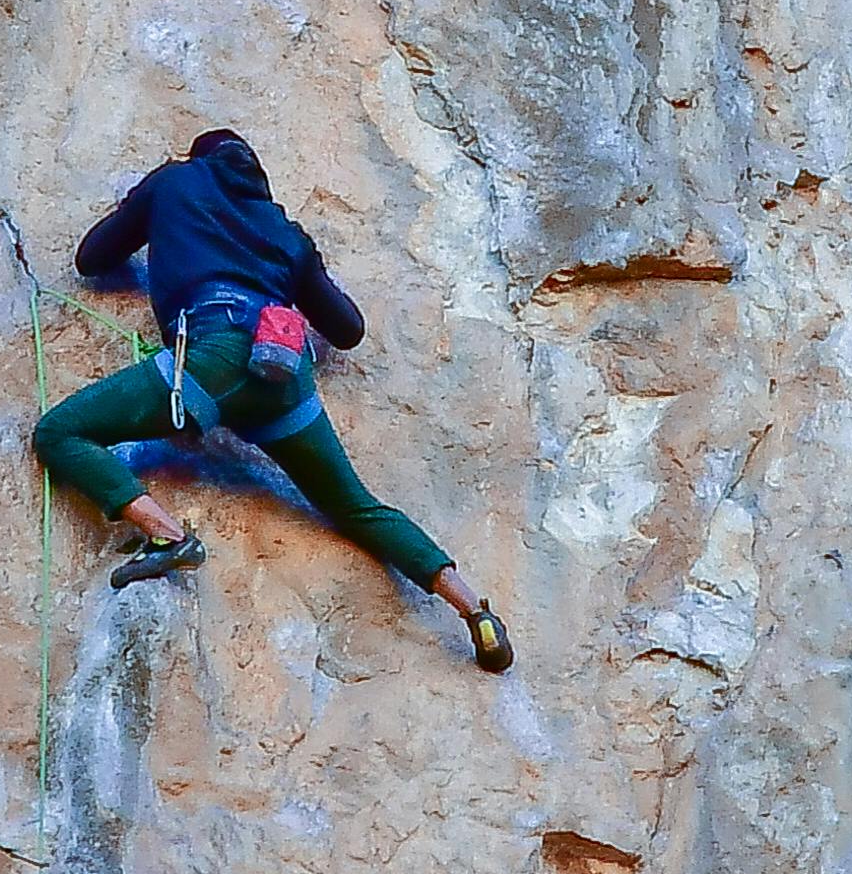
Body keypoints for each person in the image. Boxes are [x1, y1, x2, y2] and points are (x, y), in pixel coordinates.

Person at [30, 128, 513, 671]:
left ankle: (167, 536)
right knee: (355, 507)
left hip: (214, 355)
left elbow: (93, 257)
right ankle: (475, 610)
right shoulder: (285, 233)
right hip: (285, 373)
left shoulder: (177, 182)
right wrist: (296, 265)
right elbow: (348, 328)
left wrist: (153, 206)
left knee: (59, 432)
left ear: (200, 159)